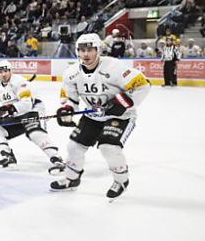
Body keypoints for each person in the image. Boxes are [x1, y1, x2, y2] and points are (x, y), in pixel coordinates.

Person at [50, 34, 152, 199]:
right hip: (93, 115)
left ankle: (121, 181)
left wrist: (123, 101)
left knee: (108, 147)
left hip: (121, 116)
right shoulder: (71, 73)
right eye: (82, 50)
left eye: (90, 49)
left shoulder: (114, 67)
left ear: (98, 50)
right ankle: (72, 178)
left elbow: (143, 84)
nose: (86, 54)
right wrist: (66, 109)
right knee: (74, 146)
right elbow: (70, 98)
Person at [0, 60, 65, 174]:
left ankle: (57, 159)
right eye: (0, 72)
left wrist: (9, 109)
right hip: (17, 115)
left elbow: (27, 104)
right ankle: (8, 157)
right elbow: (8, 106)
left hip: (33, 111)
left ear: (10, 71)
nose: (3, 74)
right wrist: (2, 113)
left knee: (34, 133)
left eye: (5, 71)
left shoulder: (20, 82)